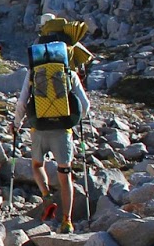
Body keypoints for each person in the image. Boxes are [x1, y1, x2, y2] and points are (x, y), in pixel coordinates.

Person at [11, 13, 93, 233]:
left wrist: (16, 124)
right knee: (65, 174)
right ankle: (67, 221)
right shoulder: (69, 73)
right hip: (63, 130)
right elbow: (85, 105)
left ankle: (46, 197)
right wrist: (75, 121)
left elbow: (22, 102)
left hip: (39, 127)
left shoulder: (33, 71)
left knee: (37, 165)